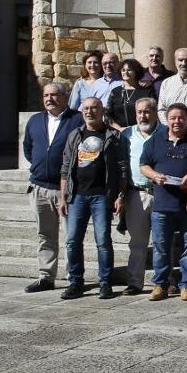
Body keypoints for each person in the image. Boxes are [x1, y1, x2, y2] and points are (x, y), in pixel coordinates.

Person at [139, 104, 187, 301]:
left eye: (181, 118)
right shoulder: (155, 141)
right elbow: (143, 165)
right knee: (161, 246)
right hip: (163, 204)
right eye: (173, 118)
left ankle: (186, 285)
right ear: (166, 119)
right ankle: (160, 284)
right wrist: (154, 176)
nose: (177, 121)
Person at [58, 97, 129, 299]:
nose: (90, 112)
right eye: (86, 108)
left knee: (103, 241)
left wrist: (121, 195)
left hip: (102, 196)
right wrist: (63, 197)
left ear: (102, 110)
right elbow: (65, 168)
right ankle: (75, 282)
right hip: (77, 195)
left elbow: (122, 168)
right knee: (72, 241)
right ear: (82, 111)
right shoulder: (75, 135)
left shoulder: (112, 136)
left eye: (94, 108)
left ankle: (105, 282)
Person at [23, 80, 83, 293]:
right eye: (46, 95)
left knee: (71, 236)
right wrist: (41, 166)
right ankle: (46, 277)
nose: (50, 99)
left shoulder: (76, 119)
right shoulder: (35, 120)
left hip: (67, 190)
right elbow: (28, 149)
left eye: (55, 95)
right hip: (40, 187)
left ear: (65, 97)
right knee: (45, 234)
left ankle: (73, 278)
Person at [121, 98, 161, 295]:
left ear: (155, 113)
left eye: (147, 111)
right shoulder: (126, 134)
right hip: (136, 194)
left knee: (163, 241)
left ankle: (164, 281)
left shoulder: (165, 132)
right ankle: (135, 282)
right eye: (139, 112)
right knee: (137, 241)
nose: (143, 116)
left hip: (162, 194)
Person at [107, 59, 152, 131]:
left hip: (141, 131)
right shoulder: (115, 92)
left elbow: (152, 112)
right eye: (123, 70)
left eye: (129, 70)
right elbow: (107, 115)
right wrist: (119, 128)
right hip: (119, 133)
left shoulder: (145, 91)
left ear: (136, 71)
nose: (126, 72)